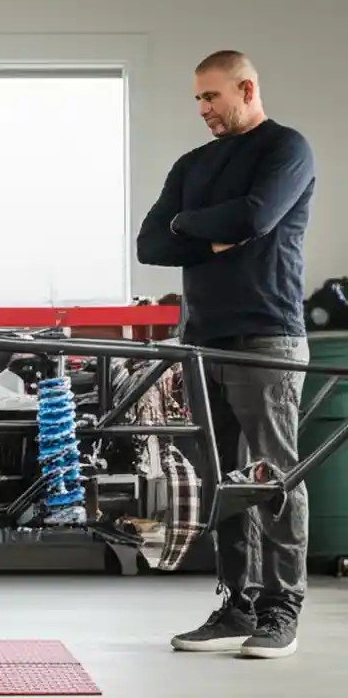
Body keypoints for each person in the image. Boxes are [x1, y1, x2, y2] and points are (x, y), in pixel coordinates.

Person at [136, 49, 315, 659]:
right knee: (222, 480)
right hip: (201, 340)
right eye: (197, 100)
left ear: (246, 87)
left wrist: (189, 228)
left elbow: (258, 215)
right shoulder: (192, 163)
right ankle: (238, 604)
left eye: (212, 97)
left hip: (267, 334)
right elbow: (151, 243)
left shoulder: (285, 149)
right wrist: (206, 230)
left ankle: (280, 606)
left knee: (272, 477)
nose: (204, 110)